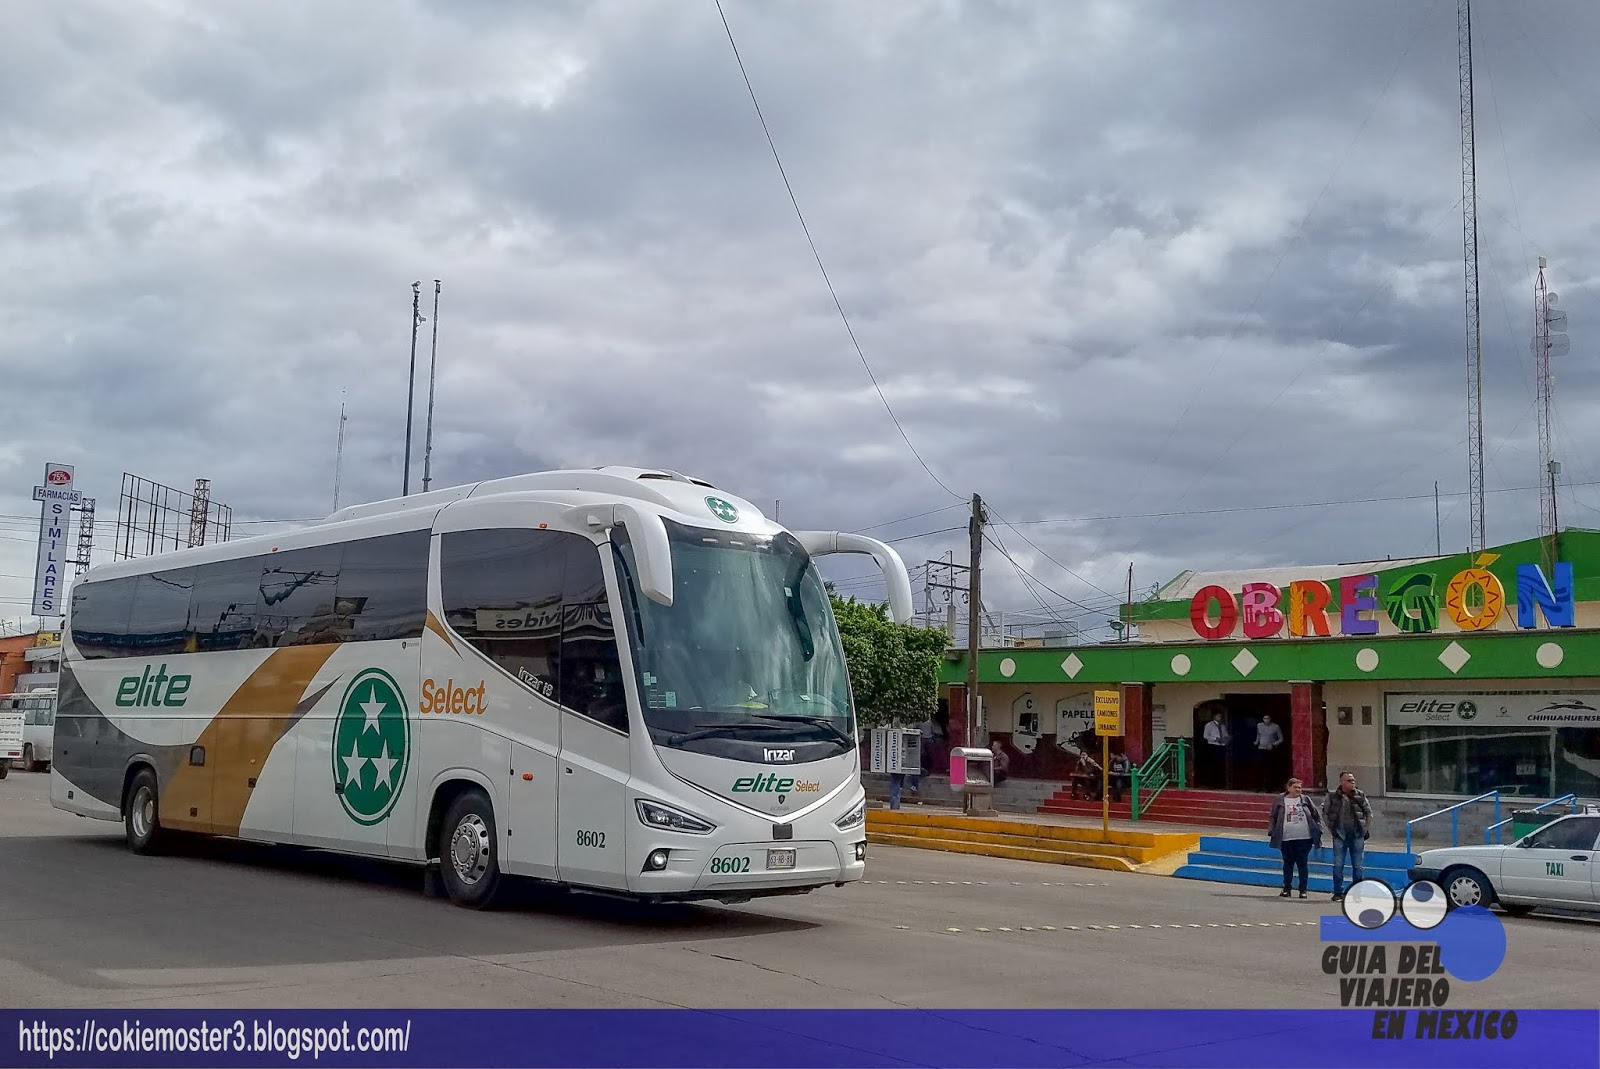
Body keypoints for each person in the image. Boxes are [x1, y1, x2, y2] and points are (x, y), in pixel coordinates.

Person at [1268, 776, 1322, 898]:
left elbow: (1316, 815)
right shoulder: (1280, 800)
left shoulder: (1305, 799)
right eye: (1295, 787)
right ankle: (1287, 888)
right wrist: (1272, 830)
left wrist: (1318, 829)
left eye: (1299, 787)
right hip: (1286, 838)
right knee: (1288, 863)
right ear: (1288, 787)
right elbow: (1273, 816)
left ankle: (1303, 890)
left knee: (1302, 863)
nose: (1298, 789)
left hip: (1304, 838)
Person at [1324, 770, 1373, 901]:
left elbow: (1368, 813)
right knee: (1338, 864)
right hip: (1340, 835)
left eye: (1353, 781)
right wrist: (1332, 829)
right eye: (1349, 781)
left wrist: (1365, 829)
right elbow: (1325, 813)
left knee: (1358, 866)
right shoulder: (1332, 796)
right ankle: (1338, 892)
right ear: (1342, 782)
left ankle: (1356, 894)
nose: (1352, 783)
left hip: (1357, 835)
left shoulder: (1360, 795)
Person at [1253, 714, 1283, 790]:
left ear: (1270, 719)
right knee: (1259, 768)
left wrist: (1273, 744)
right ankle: (1258, 787)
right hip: (1261, 748)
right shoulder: (1259, 725)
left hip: (1270, 749)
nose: (1266, 720)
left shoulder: (1275, 727)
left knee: (1269, 769)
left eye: (1268, 718)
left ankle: (1269, 787)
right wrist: (1256, 742)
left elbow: (1281, 739)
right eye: (1265, 718)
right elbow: (1259, 735)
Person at [1203, 710, 1230, 788]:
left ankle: (1220, 783)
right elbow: (1205, 735)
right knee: (1212, 765)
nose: (1220, 718)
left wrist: (1226, 739)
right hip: (1212, 746)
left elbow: (1225, 734)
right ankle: (1211, 783)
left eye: (1220, 716)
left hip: (1221, 746)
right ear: (1214, 716)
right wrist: (1215, 738)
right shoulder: (1209, 725)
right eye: (1218, 716)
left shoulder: (1223, 726)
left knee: (1220, 765)